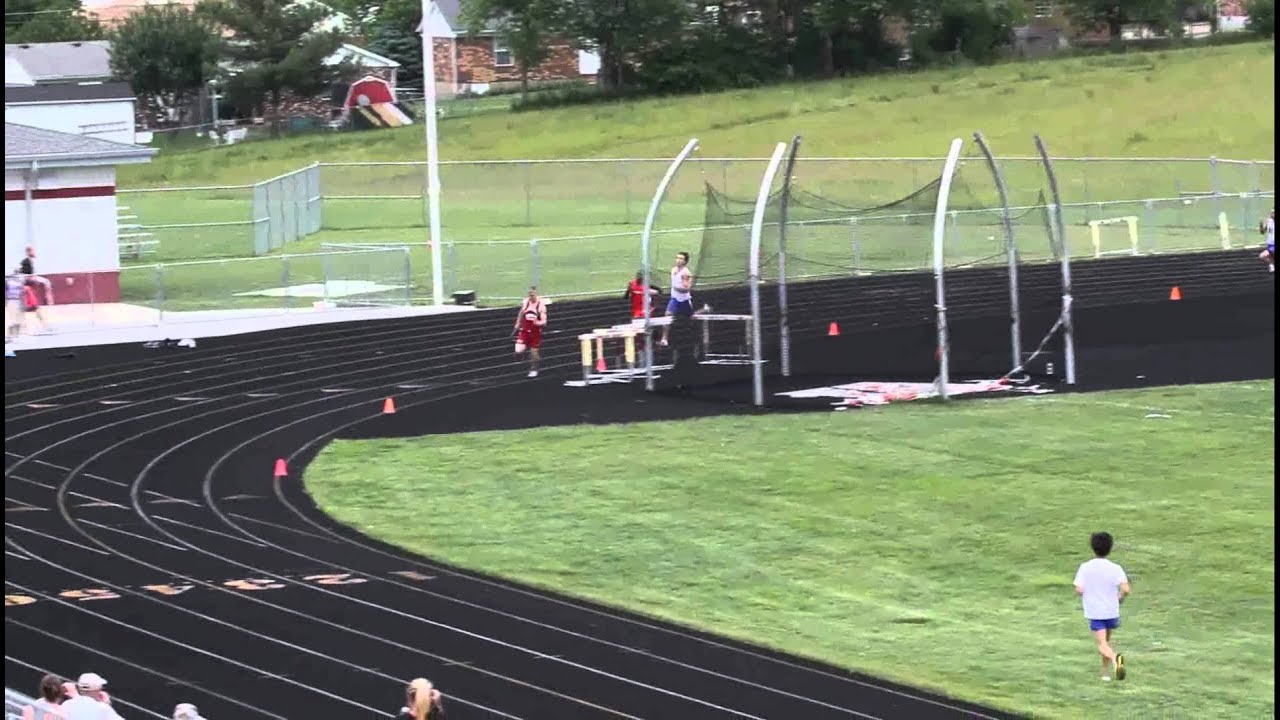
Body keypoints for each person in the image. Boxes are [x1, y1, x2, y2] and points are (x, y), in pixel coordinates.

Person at [1073, 532, 1130, 682]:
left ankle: (1115, 658)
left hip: (1095, 612)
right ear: (1110, 548)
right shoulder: (1115, 568)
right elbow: (1125, 589)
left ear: (1093, 548)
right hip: (1111, 611)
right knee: (1107, 642)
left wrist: (1086, 593)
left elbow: (1079, 589)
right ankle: (1104, 673)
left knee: (1102, 644)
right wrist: (1120, 599)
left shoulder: (1085, 567)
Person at [660, 251, 695, 348]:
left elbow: (686, 289)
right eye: (677, 258)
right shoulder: (673, 270)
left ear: (685, 261)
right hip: (675, 299)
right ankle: (664, 339)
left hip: (684, 301)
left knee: (692, 317)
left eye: (681, 259)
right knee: (667, 315)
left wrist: (677, 288)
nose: (678, 260)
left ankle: (705, 310)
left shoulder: (685, 273)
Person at [513, 285, 547, 378]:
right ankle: (524, 356)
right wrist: (518, 323)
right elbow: (521, 312)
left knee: (534, 352)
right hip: (525, 329)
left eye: (532, 295)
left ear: (536, 294)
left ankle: (534, 368)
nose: (531, 297)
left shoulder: (541, 305)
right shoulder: (526, 302)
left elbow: (544, 321)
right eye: (529, 295)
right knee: (518, 350)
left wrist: (538, 323)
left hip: (535, 331)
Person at [1260, 208, 1274, 274]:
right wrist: (1261, 225)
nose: (1272, 214)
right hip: (1270, 244)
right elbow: (1262, 232)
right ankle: (1271, 264)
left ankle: (1271, 265)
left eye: (1273, 212)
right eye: (1271, 212)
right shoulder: (1268, 221)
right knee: (1262, 256)